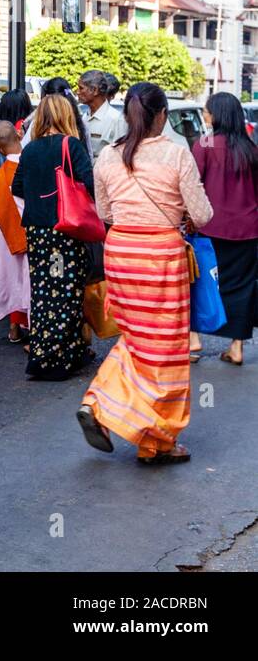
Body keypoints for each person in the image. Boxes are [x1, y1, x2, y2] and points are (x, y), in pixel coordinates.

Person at [79, 82, 213, 464]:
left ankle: (98, 403)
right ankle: (159, 441)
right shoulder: (176, 154)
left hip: (121, 252)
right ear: (163, 115)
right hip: (160, 257)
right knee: (165, 348)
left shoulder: (108, 156)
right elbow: (202, 214)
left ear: (127, 115)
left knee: (137, 339)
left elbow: (105, 213)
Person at [11, 94, 95, 380]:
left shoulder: (30, 149)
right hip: (64, 233)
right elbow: (90, 182)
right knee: (65, 292)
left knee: (43, 292)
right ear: (66, 115)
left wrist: (40, 196)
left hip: (37, 232)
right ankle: (57, 357)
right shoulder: (70, 145)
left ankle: (48, 352)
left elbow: (17, 187)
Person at [193, 92, 258, 367]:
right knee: (242, 287)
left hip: (210, 228)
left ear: (217, 114)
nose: (205, 115)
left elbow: (193, 185)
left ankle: (194, 340)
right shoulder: (250, 148)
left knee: (200, 282)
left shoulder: (205, 144)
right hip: (248, 229)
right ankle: (236, 347)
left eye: (207, 111)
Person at [0, 121, 29, 343]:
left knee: (11, 276)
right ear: (19, 135)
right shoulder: (33, 165)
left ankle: (14, 327)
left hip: (7, 237)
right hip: (33, 232)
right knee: (30, 278)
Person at [77, 70, 126, 158]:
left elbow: (121, 154)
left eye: (81, 88)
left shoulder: (117, 119)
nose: (78, 92)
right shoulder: (85, 117)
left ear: (95, 90)